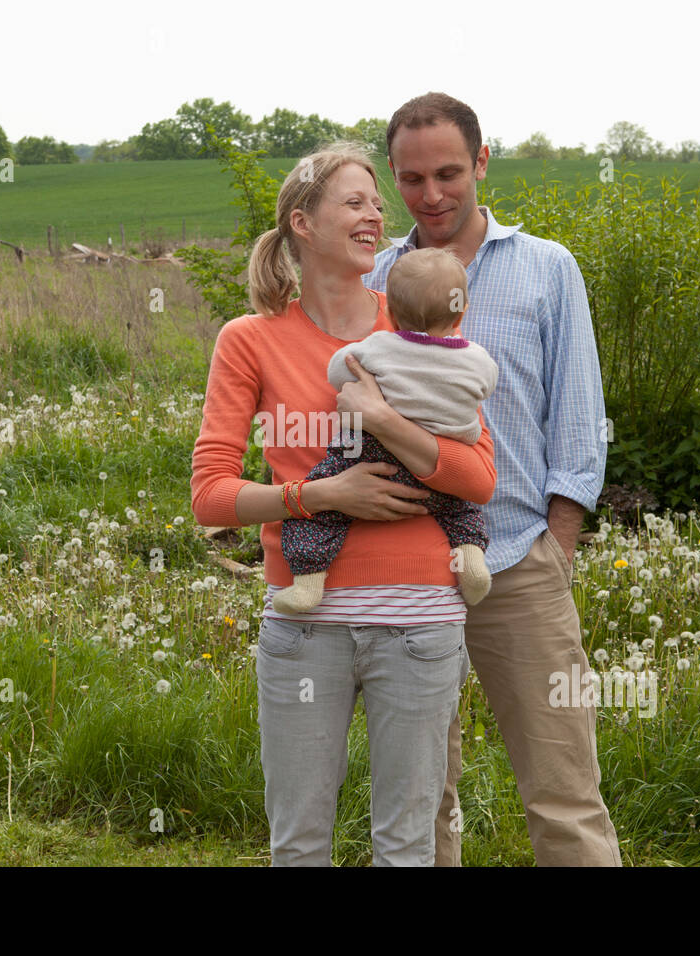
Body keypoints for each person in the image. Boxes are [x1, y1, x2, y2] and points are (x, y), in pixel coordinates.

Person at [190, 142, 496, 866]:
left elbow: (478, 481)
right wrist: (321, 493)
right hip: (306, 630)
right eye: (354, 201)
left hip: (421, 625)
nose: (376, 215)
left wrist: (384, 422)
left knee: (406, 847)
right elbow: (211, 495)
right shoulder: (250, 341)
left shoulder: (419, 321)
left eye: (375, 203)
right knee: (298, 846)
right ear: (302, 221)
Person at [362, 92, 622, 866]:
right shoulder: (376, 276)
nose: (431, 195)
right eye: (411, 179)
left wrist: (557, 547)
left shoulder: (546, 268)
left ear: (481, 162)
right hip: (404, 569)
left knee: (564, 789)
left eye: (448, 172)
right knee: (419, 798)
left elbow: (578, 421)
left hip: (516, 561)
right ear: (393, 177)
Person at [273, 246, 498, 614]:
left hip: (371, 456)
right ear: (462, 309)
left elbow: (338, 373)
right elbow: (485, 387)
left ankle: (308, 581)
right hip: (438, 465)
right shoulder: (477, 358)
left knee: (319, 509)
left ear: (391, 313)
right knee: (461, 510)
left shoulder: (378, 347)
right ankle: (471, 558)